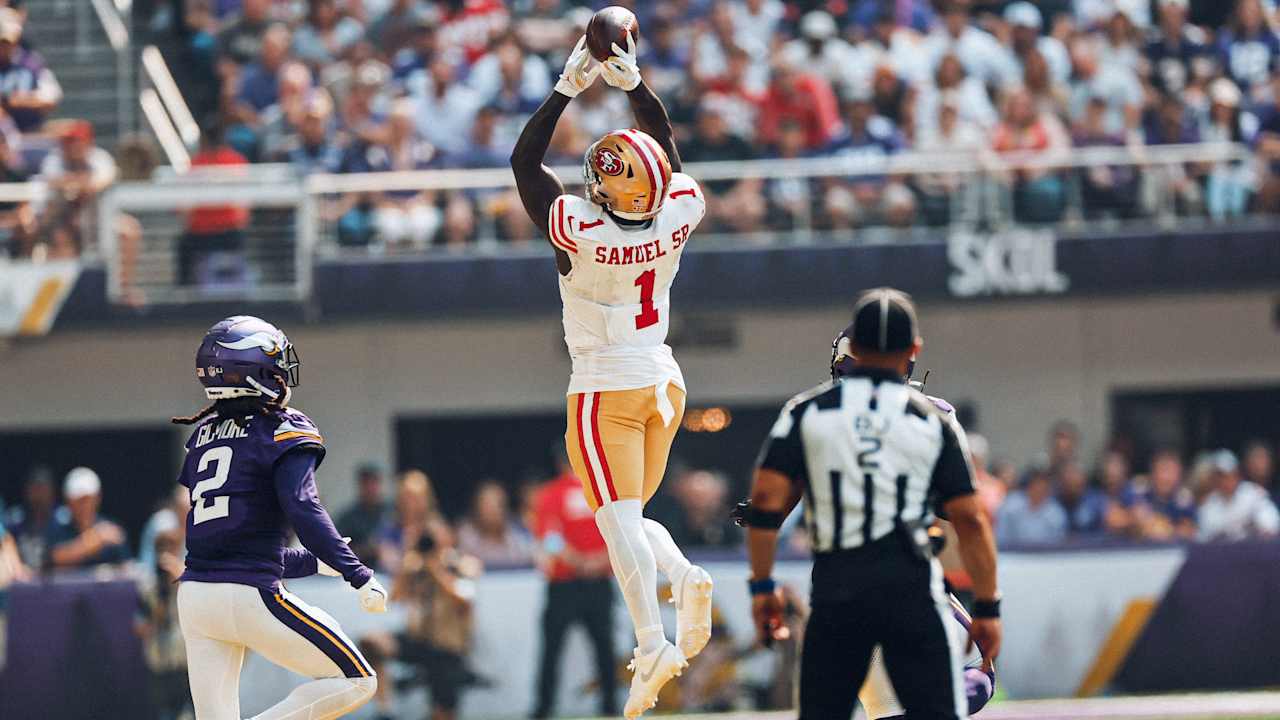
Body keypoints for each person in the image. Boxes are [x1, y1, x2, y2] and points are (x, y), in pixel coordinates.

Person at [510, 33, 713, 718]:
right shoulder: (681, 208)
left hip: (605, 385)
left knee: (615, 518)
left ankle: (652, 640)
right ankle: (683, 576)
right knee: (631, 519)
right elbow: (666, 151)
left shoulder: (582, 228)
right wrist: (634, 82)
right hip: (666, 379)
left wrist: (570, 84)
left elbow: (524, 161)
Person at [743, 287, 1001, 720]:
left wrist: (762, 587)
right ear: (912, 352)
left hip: (837, 590)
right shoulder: (933, 416)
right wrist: (989, 607)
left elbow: (767, 503)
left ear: (852, 350)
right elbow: (969, 519)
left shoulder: (807, 412)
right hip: (911, 586)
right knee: (970, 681)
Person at [171, 315, 386, 720]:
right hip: (249, 595)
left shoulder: (201, 437)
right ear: (256, 371)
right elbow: (303, 505)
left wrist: (312, 561)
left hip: (196, 596)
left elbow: (230, 540)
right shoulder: (283, 428)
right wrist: (355, 572)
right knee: (357, 679)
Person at [530, 447, 617, 719]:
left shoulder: (549, 494)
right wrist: (596, 561)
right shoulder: (607, 492)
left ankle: (544, 708)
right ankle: (610, 707)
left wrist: (577, 561)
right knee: (604, 647)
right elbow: (621, 535)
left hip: (564, 583)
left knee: (552, 650)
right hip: (597, 581)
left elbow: (550, 539)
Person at [48, 467, 130, 569]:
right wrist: (95, 540)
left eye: (87, 499)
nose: (84, 506)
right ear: (67, 501)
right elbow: (54, 558)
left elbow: (126, 567)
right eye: (78, 500)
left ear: (98, 498)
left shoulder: (112, 528)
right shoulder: (56, 527)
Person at [1198, 449, 1280, 542]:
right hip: (1223, 553)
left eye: (1231, 475)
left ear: (1237, 474)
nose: (1227, 481)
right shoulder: (1209, 504)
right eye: (1221, 476)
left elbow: (1272, 525)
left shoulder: (1252, 494)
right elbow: (1203, 539)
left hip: (1254, 552)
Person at [456, 480, 534, 566]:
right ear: (477, 508)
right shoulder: (466, 537)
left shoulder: (516, 538)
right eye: (488, 505)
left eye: (498, 505)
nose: (494, 511)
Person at [334, 462, 390, 567]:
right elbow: (336, 550)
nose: (370, 488)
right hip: (358, 573)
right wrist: (367, 549)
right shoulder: (348, 518)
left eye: (374, 482)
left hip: (392, 573)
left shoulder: (392, 511)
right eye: (366, 483)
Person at [995, 467, 1068, 546]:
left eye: (1043, 487)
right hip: (1013, 554)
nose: (1039, 490)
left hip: (1046, 555)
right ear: (1029, 487)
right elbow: (1001, 535)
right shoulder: (1010, 505)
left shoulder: (1055, 512)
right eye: (1036, 485)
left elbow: (1059, 541)